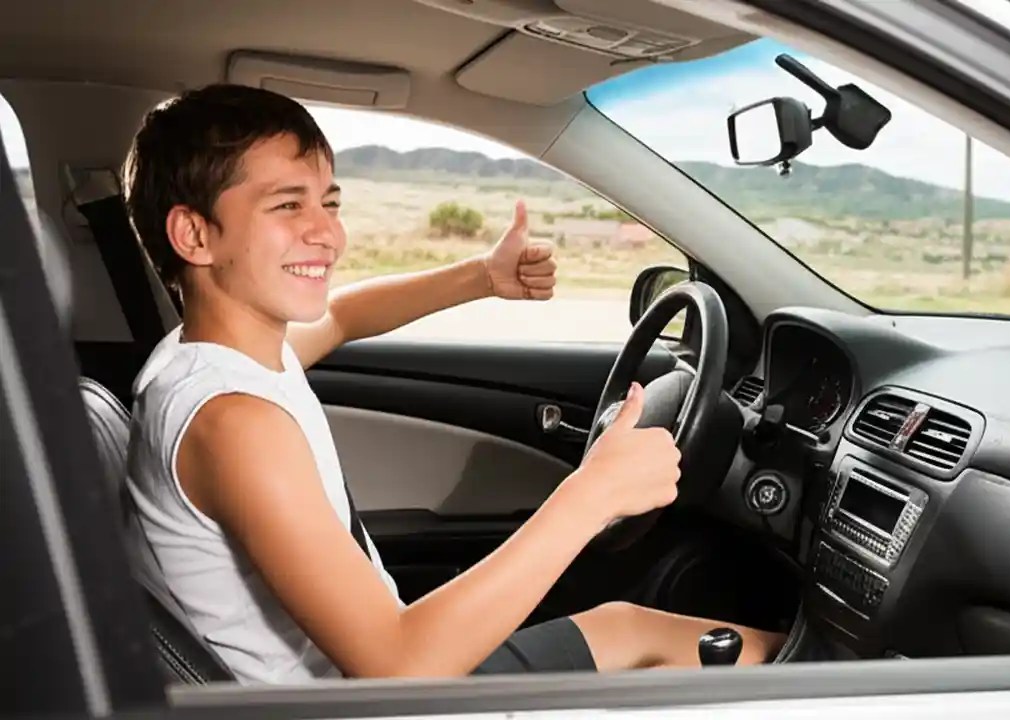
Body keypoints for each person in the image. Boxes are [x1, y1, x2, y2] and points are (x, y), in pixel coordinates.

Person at [122, 84, 784, 684]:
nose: (327, 232)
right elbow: (397, 664)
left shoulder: (206, 355)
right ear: (193, 234)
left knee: (633, 629)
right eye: (287, 205)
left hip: (368, 681)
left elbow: (346, 315)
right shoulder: (237, 424)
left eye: (328, 202)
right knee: (661, 644)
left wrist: (482, 276)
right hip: (366, 702)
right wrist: (591, 494)